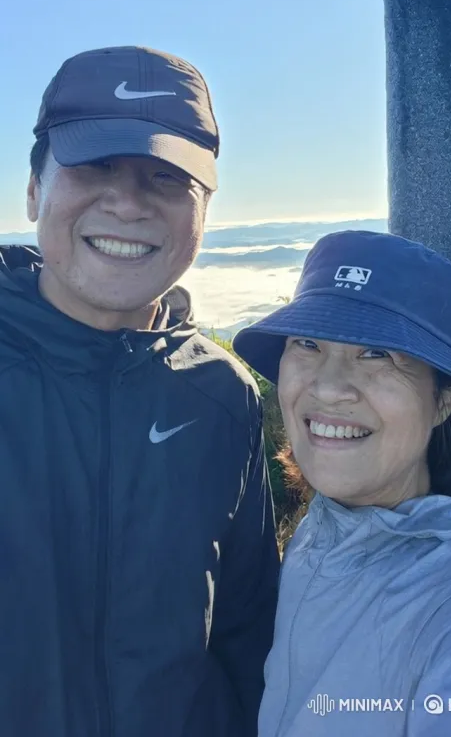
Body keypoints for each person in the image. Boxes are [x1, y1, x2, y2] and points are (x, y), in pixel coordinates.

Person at [0, 45, 279, 737]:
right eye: (95, 166)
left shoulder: (222, 394)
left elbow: (249, 633)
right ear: (34, 191)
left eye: (165, 178)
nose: (126, 201)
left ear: (203, 214)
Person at [233, 230, 451, 736]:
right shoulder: (323, 529)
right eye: (308, 342)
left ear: (446, 398)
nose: (329, 386)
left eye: (377, 353)